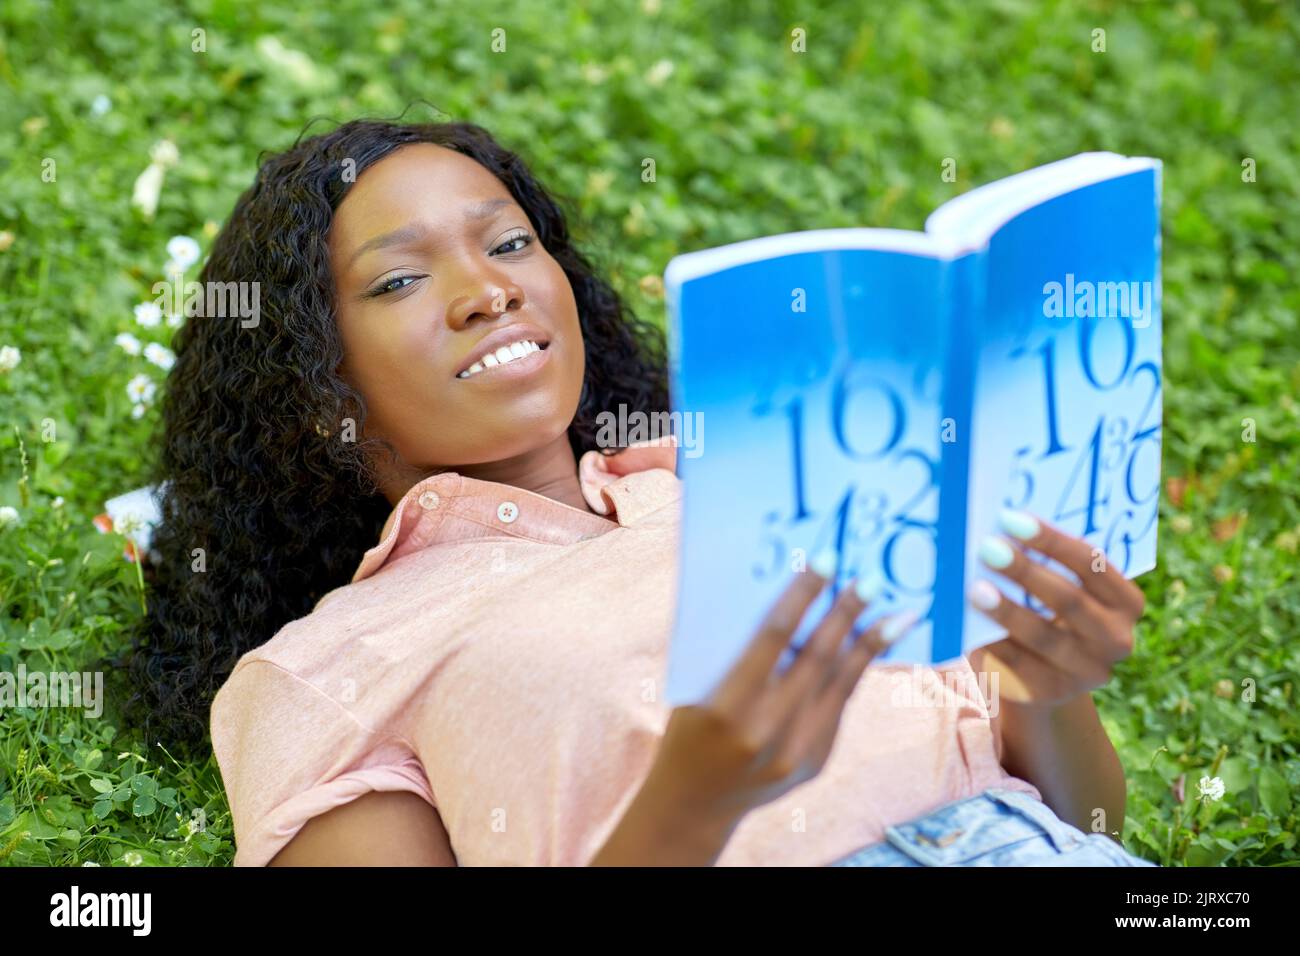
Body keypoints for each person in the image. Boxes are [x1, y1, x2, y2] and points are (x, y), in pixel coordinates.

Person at [118, 118, 1156, 867]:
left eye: (509, 241)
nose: (489, 289)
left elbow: (1088, 824)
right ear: (311, 386)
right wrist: (691, 801)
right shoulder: (327, 663)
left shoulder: (769, 480)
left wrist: (1044, 685)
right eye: (399, 280)